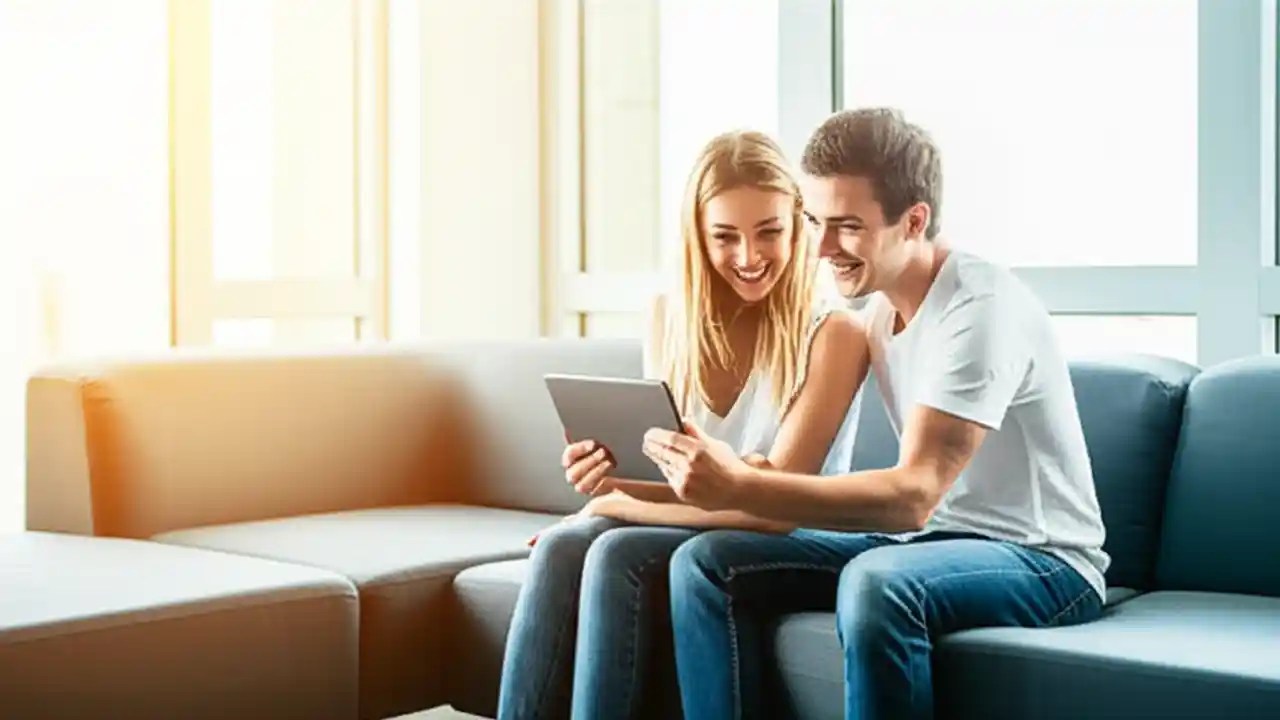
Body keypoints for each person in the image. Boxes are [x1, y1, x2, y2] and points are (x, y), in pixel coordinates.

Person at [645, 108, 1109, 720]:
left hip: (1043, 561)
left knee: (879, 585)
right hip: (930, 543)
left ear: (914, 221)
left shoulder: (979, 309)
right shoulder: (879, 315)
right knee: (706, 563)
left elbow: (913, 496)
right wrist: (742, 475)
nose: (819, 248)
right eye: (816, 222)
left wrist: (742, 485)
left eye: (846, 227)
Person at [495, 130, 869, 720]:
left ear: (798, 226)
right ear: (698, 235)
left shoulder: (835, 334)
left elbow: (774, 508)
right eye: (725, 236)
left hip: (796, 535)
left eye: (769, 231)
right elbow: (676, 482)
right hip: (711, 522)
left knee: (618, 551)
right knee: (565, 545)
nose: (749, 256)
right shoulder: (669, 317)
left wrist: (617, 505)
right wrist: (611, 481)